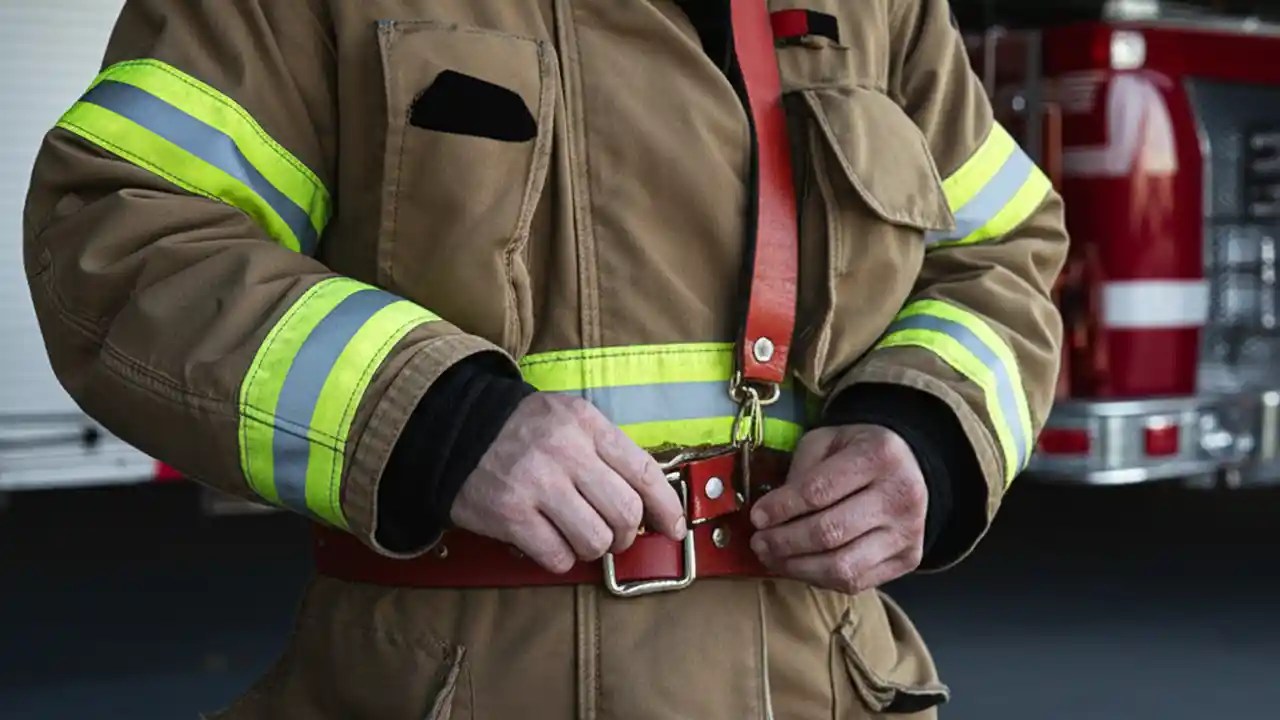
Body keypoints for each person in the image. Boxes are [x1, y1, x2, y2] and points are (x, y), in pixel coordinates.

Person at [23, 0, 1066, 717]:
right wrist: (432, 419)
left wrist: (926, 430)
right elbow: (123, 238)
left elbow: (998, 250)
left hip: (823, 683)